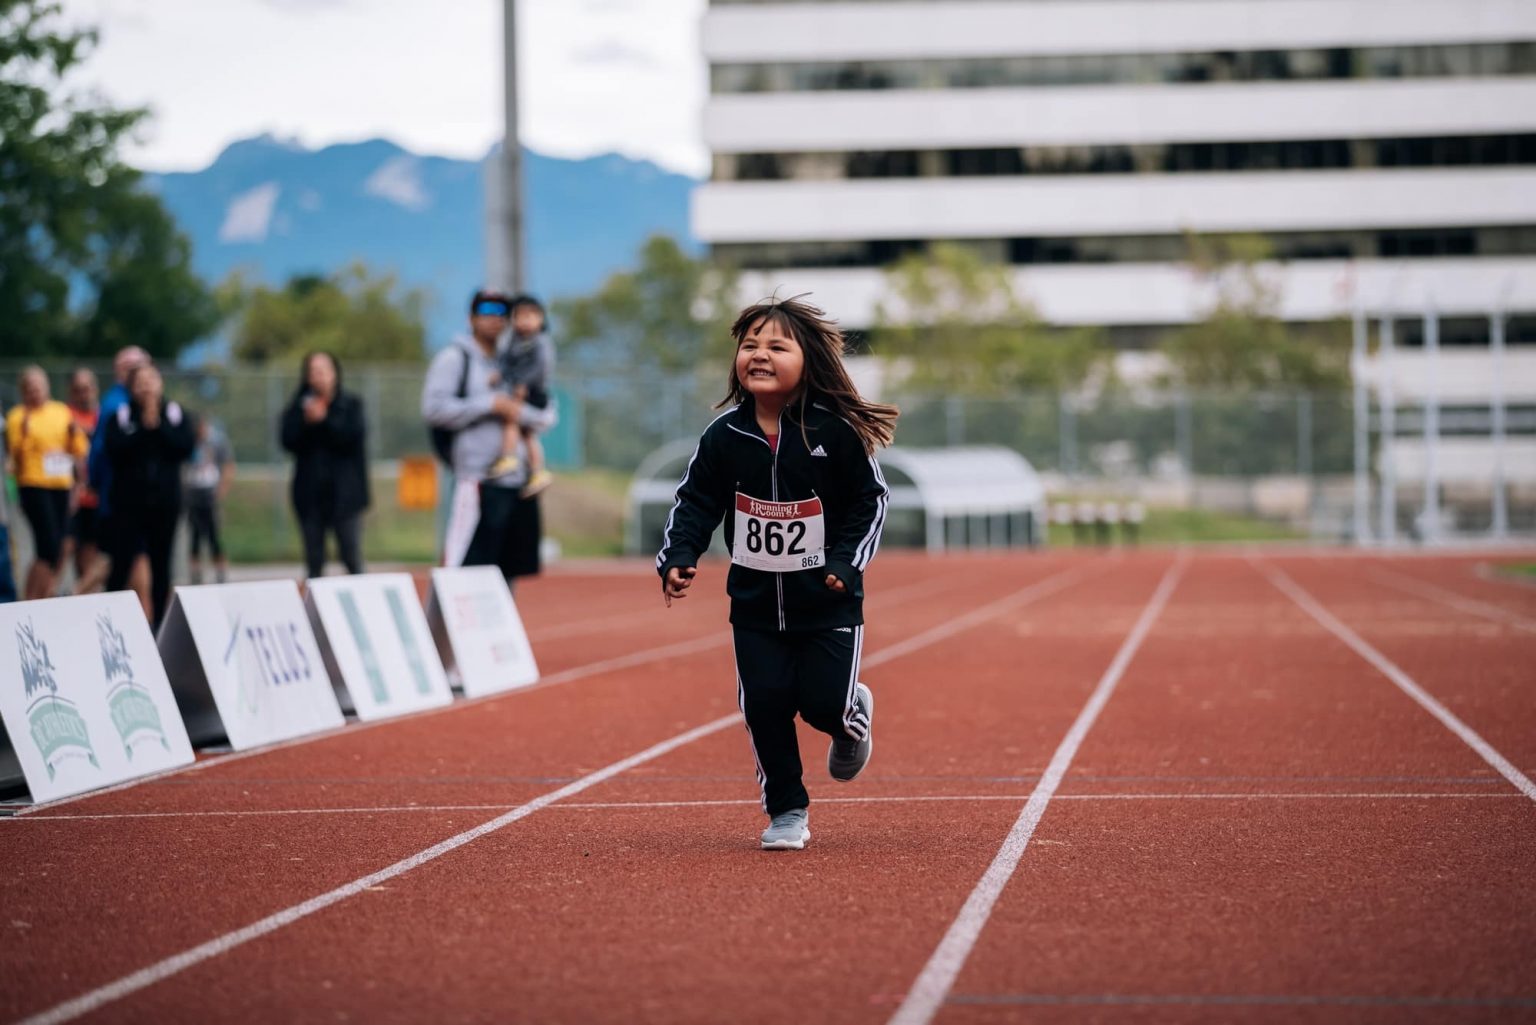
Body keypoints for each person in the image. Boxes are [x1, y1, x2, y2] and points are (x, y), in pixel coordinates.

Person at [656, 295, 898, 851]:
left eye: (776, 346)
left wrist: (844, 562)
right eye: (749, 346)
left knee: (822, 704)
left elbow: (870, 501)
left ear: (806, 361)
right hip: (756, 603)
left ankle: (850, 715)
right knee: (762, 703)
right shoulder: (724, 437)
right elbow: (695, 502)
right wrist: (679, 556)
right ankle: (787, 810)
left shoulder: (834, 434)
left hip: (829, 602)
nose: (758, 355)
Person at [422, 289, 558, 587]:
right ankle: (448, 633)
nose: (495, 319)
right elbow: (434, 409)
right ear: (471, 317)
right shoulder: (455, 359)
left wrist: (516, 410)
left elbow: (547, 415)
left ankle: (498, 633)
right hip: (480, 480)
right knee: (465, 568)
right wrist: (489, 404)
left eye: (502, 313)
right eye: (486, 311)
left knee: (508, 571)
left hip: (519, 482)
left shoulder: (518, 358)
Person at [103, 364, 195, 628]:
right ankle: (110, 622)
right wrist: (143, 428)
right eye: (140, 382)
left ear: (160, 384)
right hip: (128, 505)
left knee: (161, 565)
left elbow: (184, 447)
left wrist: (158, 425)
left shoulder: (174, 414)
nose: (146, 387)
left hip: (164, 504)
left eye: (151, 381)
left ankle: (159, 626)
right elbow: (114, 451)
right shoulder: (121, 416)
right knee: (121, 562)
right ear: (132, 387)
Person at [280, 351, 369, 579]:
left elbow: (351, 438)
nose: (318, 376)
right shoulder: (298, 407)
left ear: (334, 373)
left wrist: (325, 421)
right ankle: (313, 613)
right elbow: (287, 440)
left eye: (323, 370)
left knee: (352, 557)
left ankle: (363, 609)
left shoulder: (351, 405)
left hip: (345, 497)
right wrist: (307, 422)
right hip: (310, 496)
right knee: (314, 561)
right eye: (313, 371)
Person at [4, 367, 88, 600]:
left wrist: (74, 435)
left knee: (59, 545)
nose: (35, 392)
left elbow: (78, 448)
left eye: (39, 387)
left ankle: (44, 593)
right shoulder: (18, 416)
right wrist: (24, 432)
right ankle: (32, 597)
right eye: (30, 389)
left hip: (60, 484)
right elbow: (14, 455)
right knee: (48, 544)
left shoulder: (60, 411)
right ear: (23, 392)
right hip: (33, 484)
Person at [88, 346, 152, 603]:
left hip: (135, 498)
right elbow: (102, 452)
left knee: (123, 559)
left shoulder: (131, 403)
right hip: (120, 498)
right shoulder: (118, 405)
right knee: (123, 559)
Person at [486, 293, 555, 498]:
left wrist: (524, 384)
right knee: (528, 435)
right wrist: (500, 374)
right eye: (520, 316)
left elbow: (541, 367)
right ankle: (537, 471)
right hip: (517, 388)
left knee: (511, 420)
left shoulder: (540, 342)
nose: (525, 322)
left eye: (530, 316)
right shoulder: (514, 342)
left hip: (532, 393)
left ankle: (508, 456)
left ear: (540, 319)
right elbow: (506, 362)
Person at [62, 367, 105, 593]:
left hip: (96, 497)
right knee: (65, 547)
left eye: (87, 388)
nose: (84, 394)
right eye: (78, 390)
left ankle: (82, 597)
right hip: (72, 496)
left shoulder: (104, 416)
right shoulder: (64, 416)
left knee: (90, 554)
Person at [185, 416, 235, 584]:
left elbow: (228, 465)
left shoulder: (216, 444)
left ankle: (220, 569)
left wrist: (222, 489)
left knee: (214, 535)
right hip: (193, 494)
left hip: (210, 494)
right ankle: (195, 571)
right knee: (195, 536)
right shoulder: (189, 444)